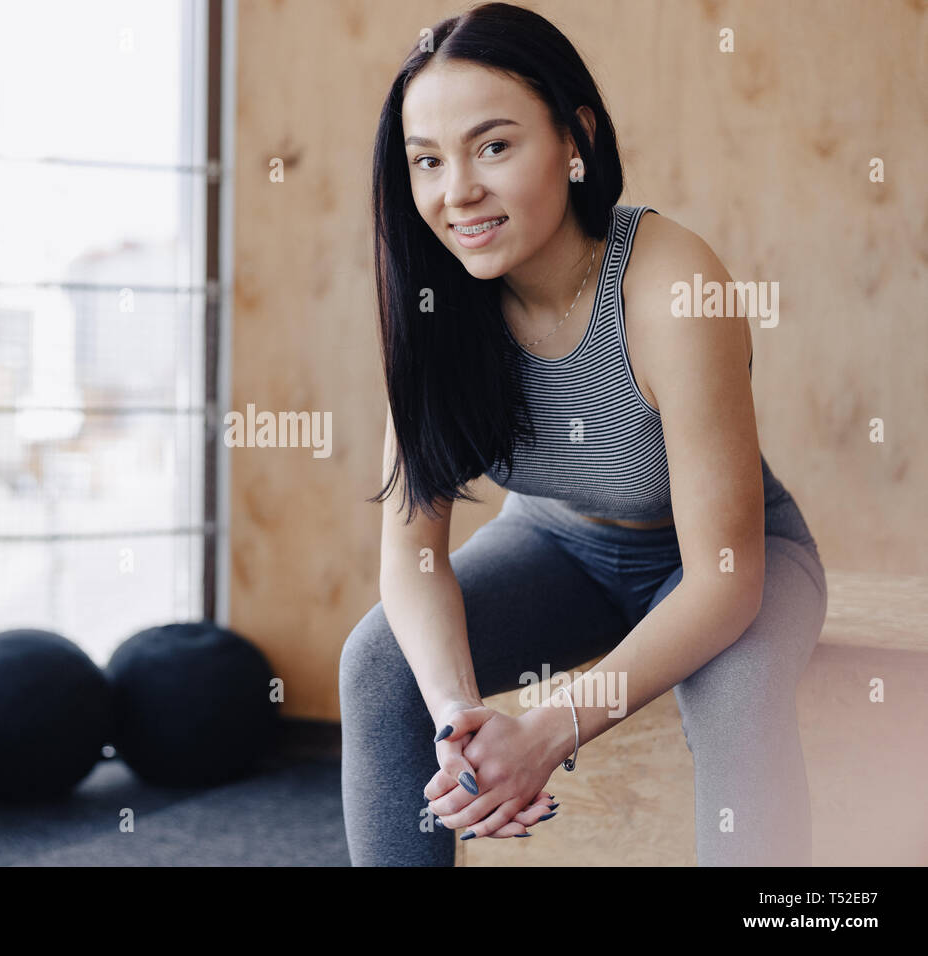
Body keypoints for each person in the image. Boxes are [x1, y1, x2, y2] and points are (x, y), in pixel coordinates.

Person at [339, 1, 827, 867]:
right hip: (556, 552)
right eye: (427, 161)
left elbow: (724, 579)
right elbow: (411, 556)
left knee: (736, 692)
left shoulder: (670, 283)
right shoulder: (434, 301)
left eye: (493, 146)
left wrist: (546, 731)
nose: (457, 192)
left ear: (575, 140)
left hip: (723, 564)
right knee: (379, 660)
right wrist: (460, 722)